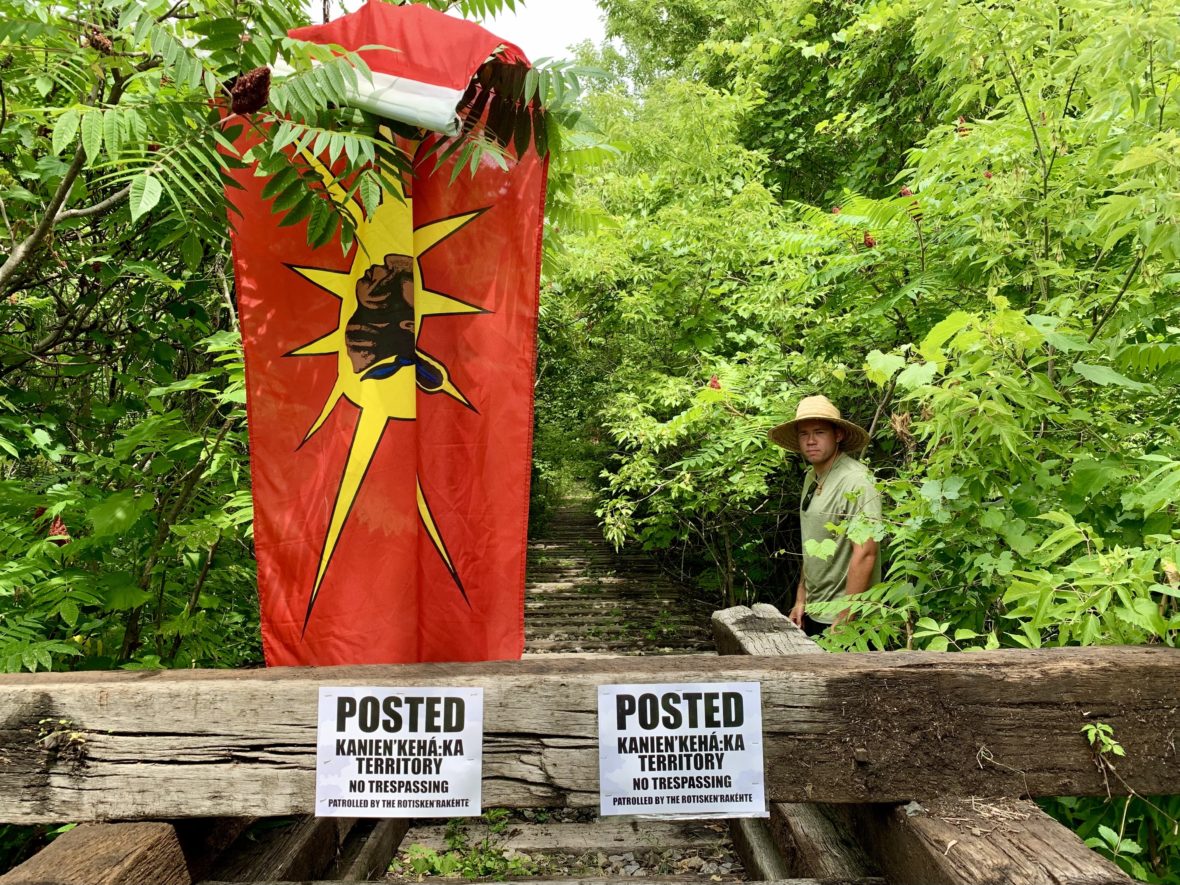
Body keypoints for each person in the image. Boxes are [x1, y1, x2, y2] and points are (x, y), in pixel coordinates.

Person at [769, 395, 881, 635]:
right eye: (803, 434)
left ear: (837, 435)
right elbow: (813, 544)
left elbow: (866, 552)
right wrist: (801, 599)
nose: (810, 441)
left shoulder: (856, 480)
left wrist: (846, 616)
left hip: (848, 621)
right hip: (815, 611)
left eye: (819, 432)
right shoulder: (812, 477)